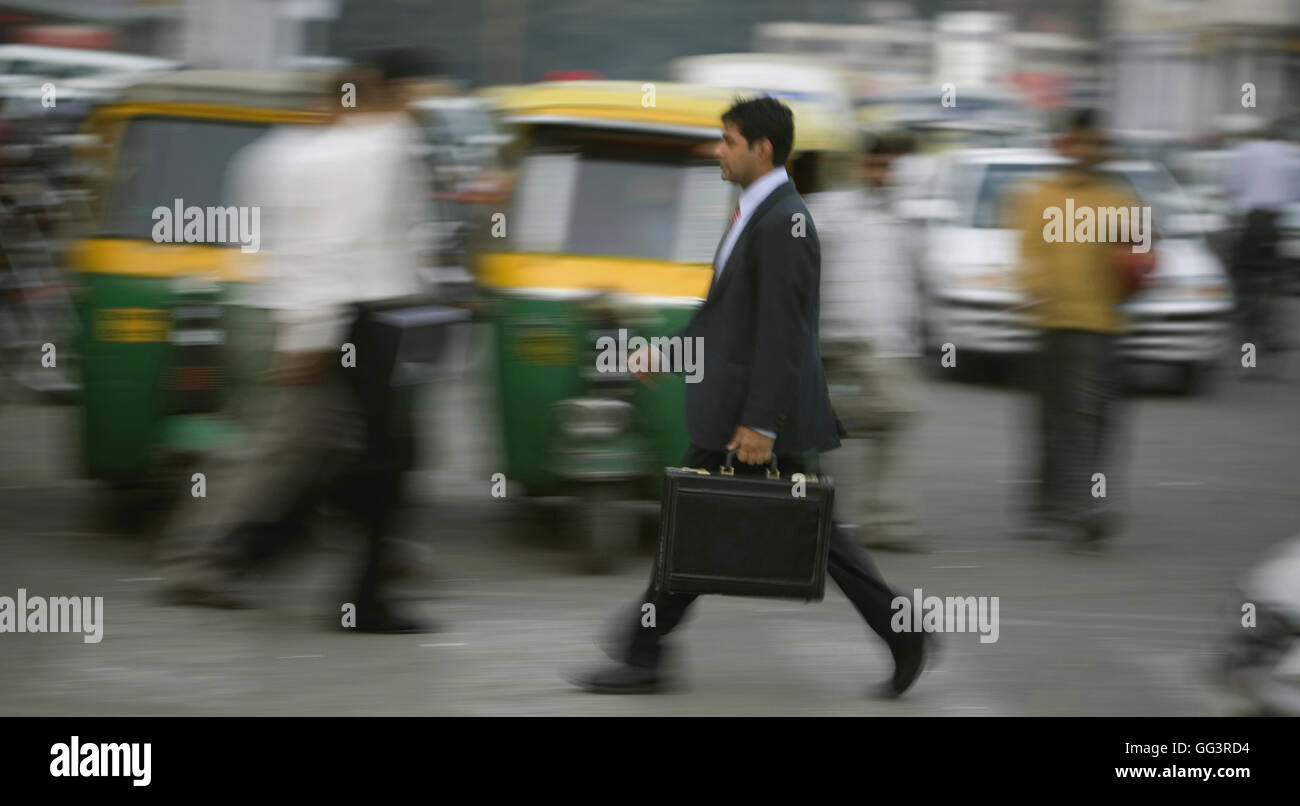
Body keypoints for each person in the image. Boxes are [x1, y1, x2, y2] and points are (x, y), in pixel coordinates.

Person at [569, 97, 931, 697]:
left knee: (724, 526)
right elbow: (726, 314)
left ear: (762, 148)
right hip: (739, 409)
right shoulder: (753, 213)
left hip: (756, 417)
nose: (718, 150)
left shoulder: (784, 221)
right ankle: (646, 651)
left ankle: (645, 653)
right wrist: (669, 352)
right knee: (749, 529)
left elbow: (786, 334)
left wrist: (762, 423)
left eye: (727, 141)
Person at [157, 58, 434, 631]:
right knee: (278, 444)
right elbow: (315, 250)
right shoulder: (317, 157)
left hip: (321, 313)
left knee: (343, 443)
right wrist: (306, 333)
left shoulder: (307, 151)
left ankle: (342, 553)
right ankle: (201, 558)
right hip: (298, 315)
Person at [1013, 109, 1143, 554]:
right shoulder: (1039, 197)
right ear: (1066, 144)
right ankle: (1051, 505)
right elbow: (1028, 253)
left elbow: (1141, 254)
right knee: (1053, 421)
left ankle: (1082, 507)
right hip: (1053, 324)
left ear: (1105, 148)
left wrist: (1141, 258)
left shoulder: (1121, 199)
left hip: (1103, 326)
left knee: (1092, 421)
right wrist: (1035, 288)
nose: (1087, 151)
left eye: (1096, 143)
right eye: (1080, 142)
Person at [810, 133, 929, 553]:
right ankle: (821, 514)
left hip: (884, 341)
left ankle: (886, 522)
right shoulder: (831, 209)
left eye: (888, 167)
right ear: (860, 167)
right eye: (874, 166)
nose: (881, 175)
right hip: (832, 336)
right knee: (897, 410)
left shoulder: (907, 219)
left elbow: (915, 277)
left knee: (900, 413)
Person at [1223, 121, 1299, 354]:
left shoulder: (1243, 151)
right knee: (1272, 271)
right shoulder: (1290, 154)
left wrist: (1236, 197)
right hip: (1273, 223)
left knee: (1240, 269)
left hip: (1250, 220)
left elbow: (1229, 185)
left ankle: (1243, 312)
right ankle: (1268, 327)